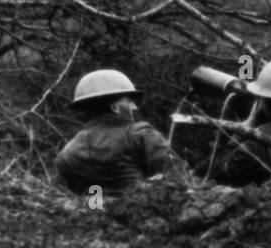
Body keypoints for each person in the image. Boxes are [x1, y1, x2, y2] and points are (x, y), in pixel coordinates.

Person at [56, 69, 185, 198]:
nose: (134, 107)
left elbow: (74, 200)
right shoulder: (140, 134)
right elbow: (180, 179)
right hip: (145, 214)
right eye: (129, 101)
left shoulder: (66, 154)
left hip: (94, 215)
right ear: (115, 107)